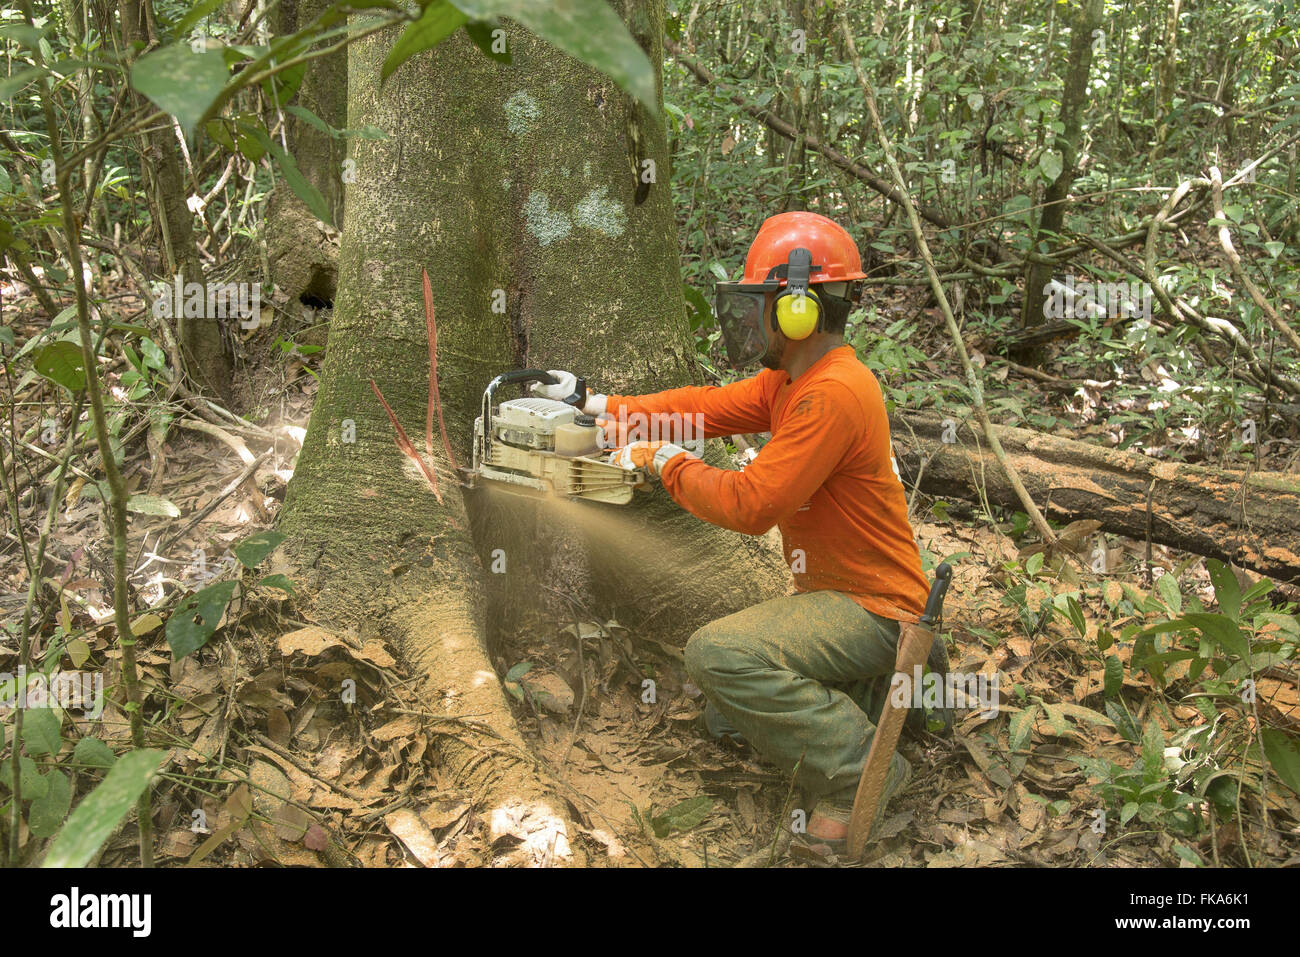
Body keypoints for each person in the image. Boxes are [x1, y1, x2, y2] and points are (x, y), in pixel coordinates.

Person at [534, 211, 931, 852]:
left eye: (760, 305)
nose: (750, 322)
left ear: (799, 308)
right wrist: (596, 405)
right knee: (728, 714)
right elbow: (703, 407)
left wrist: (663, 461)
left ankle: (869, 769)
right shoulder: (794, 381)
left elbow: (751, 506)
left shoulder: (833, 395)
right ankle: (872, 697)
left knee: (720, 656)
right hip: (844, 600)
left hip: (879, 611)